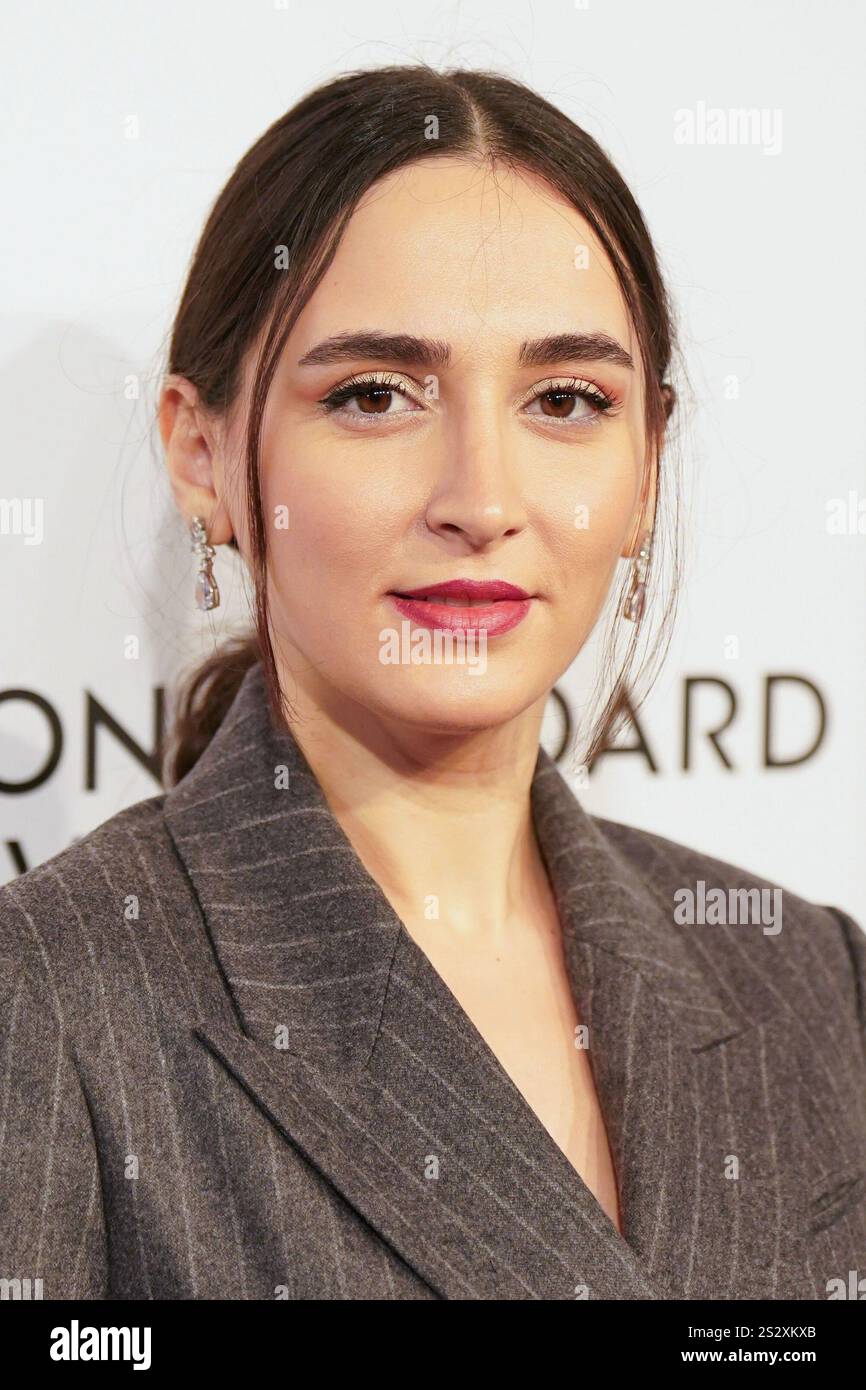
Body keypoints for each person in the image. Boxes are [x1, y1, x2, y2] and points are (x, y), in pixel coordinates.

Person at [1, 64, 864, 1302]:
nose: (482, 501)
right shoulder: (50, 1004)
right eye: (374, 396)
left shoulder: (805, 974)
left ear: (648, 461)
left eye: (565, 400)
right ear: (202, 454)